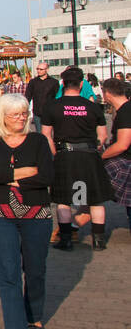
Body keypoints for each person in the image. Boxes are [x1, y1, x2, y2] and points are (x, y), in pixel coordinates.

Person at [0, 93, 53, 329]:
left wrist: (9, 177)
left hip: (37, 213)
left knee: (35, 269)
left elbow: (47, 175)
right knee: (9, 272)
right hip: (2, 214)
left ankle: (33, 315)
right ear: (2, 116)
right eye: (15, 115)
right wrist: (26, 171)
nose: (21, 119)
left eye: (24, 114)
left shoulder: (38, 140)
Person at [41, 66, 112, 250]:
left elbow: (46, 135)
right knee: (95, 200)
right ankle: (98, 241)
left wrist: (56, 153)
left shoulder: (52, 107)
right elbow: (103, 136)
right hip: (89, 155)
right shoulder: (93, 107)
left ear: (63, 83)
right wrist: (92, 148)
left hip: (64, 154)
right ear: (81, 84)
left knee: (64, 200)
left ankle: (66, 240)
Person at [99, 78, 131, 236]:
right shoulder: (125, 110)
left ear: (107, 94)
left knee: (94, 184)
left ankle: (72, 227)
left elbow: (122, 145)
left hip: (127, 161)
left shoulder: (125, 112)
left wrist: (101, 157)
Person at [25, 62, 58, 132]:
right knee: (39, 133)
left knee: (48, 133)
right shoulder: (33, 82)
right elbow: (28, 96)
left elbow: (57, 97)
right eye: (37, 69)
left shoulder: (54, 82)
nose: (38, 71)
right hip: (37, 112)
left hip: (49, 112)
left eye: (41, 69)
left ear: (47, 70)